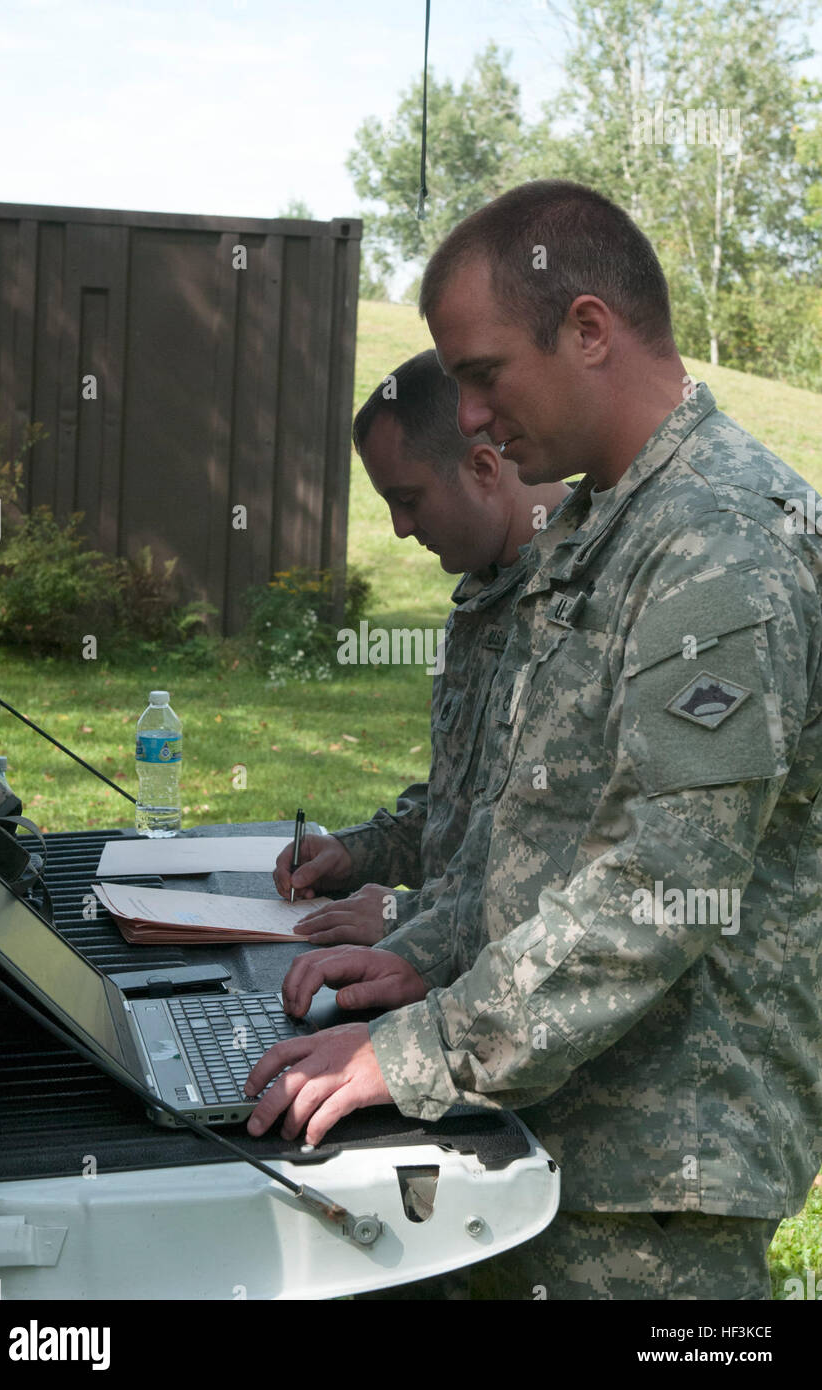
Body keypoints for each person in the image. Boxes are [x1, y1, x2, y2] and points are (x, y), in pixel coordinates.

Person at [246, 180, 822, 1300]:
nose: (468, 417)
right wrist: (424, 944)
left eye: (480, 373)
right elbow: (541, 823)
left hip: (658, 1176)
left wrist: (411, 1052)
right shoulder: (605, 528)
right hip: (561, 1129)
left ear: (588, 329)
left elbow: (660, 885)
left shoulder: (715, 544)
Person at [274, 348, 568, 945]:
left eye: (408, 500)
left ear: (484, 468)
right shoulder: (485, 592)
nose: (400, 528)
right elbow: (465, 808)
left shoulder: (586, 600)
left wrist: (405, 919)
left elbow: (570, 867)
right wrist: (353, 853)